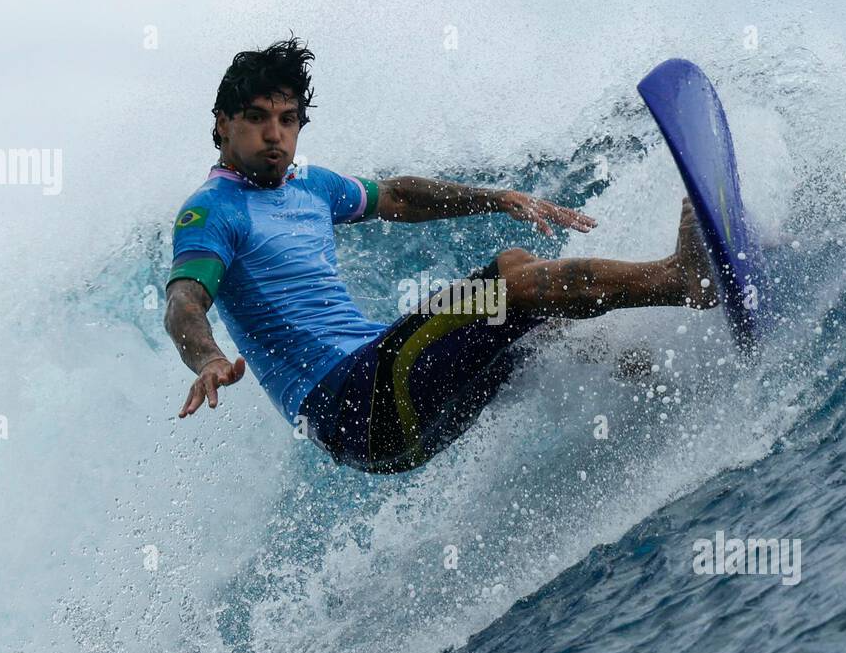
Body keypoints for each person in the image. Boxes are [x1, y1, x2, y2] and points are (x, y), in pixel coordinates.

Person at [165, 37, 717, 473]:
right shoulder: (213, 211)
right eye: (257, 117)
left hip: (398, 406)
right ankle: (679, 282)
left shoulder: (311, 185)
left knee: (531, 313)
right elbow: (185, 302)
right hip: (351, 403)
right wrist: (208, 360)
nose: (275, 134)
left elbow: (398, 197)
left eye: (287, 120)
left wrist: (496, 198)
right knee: (512, 286)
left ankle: (675, 386)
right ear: (222, 124)